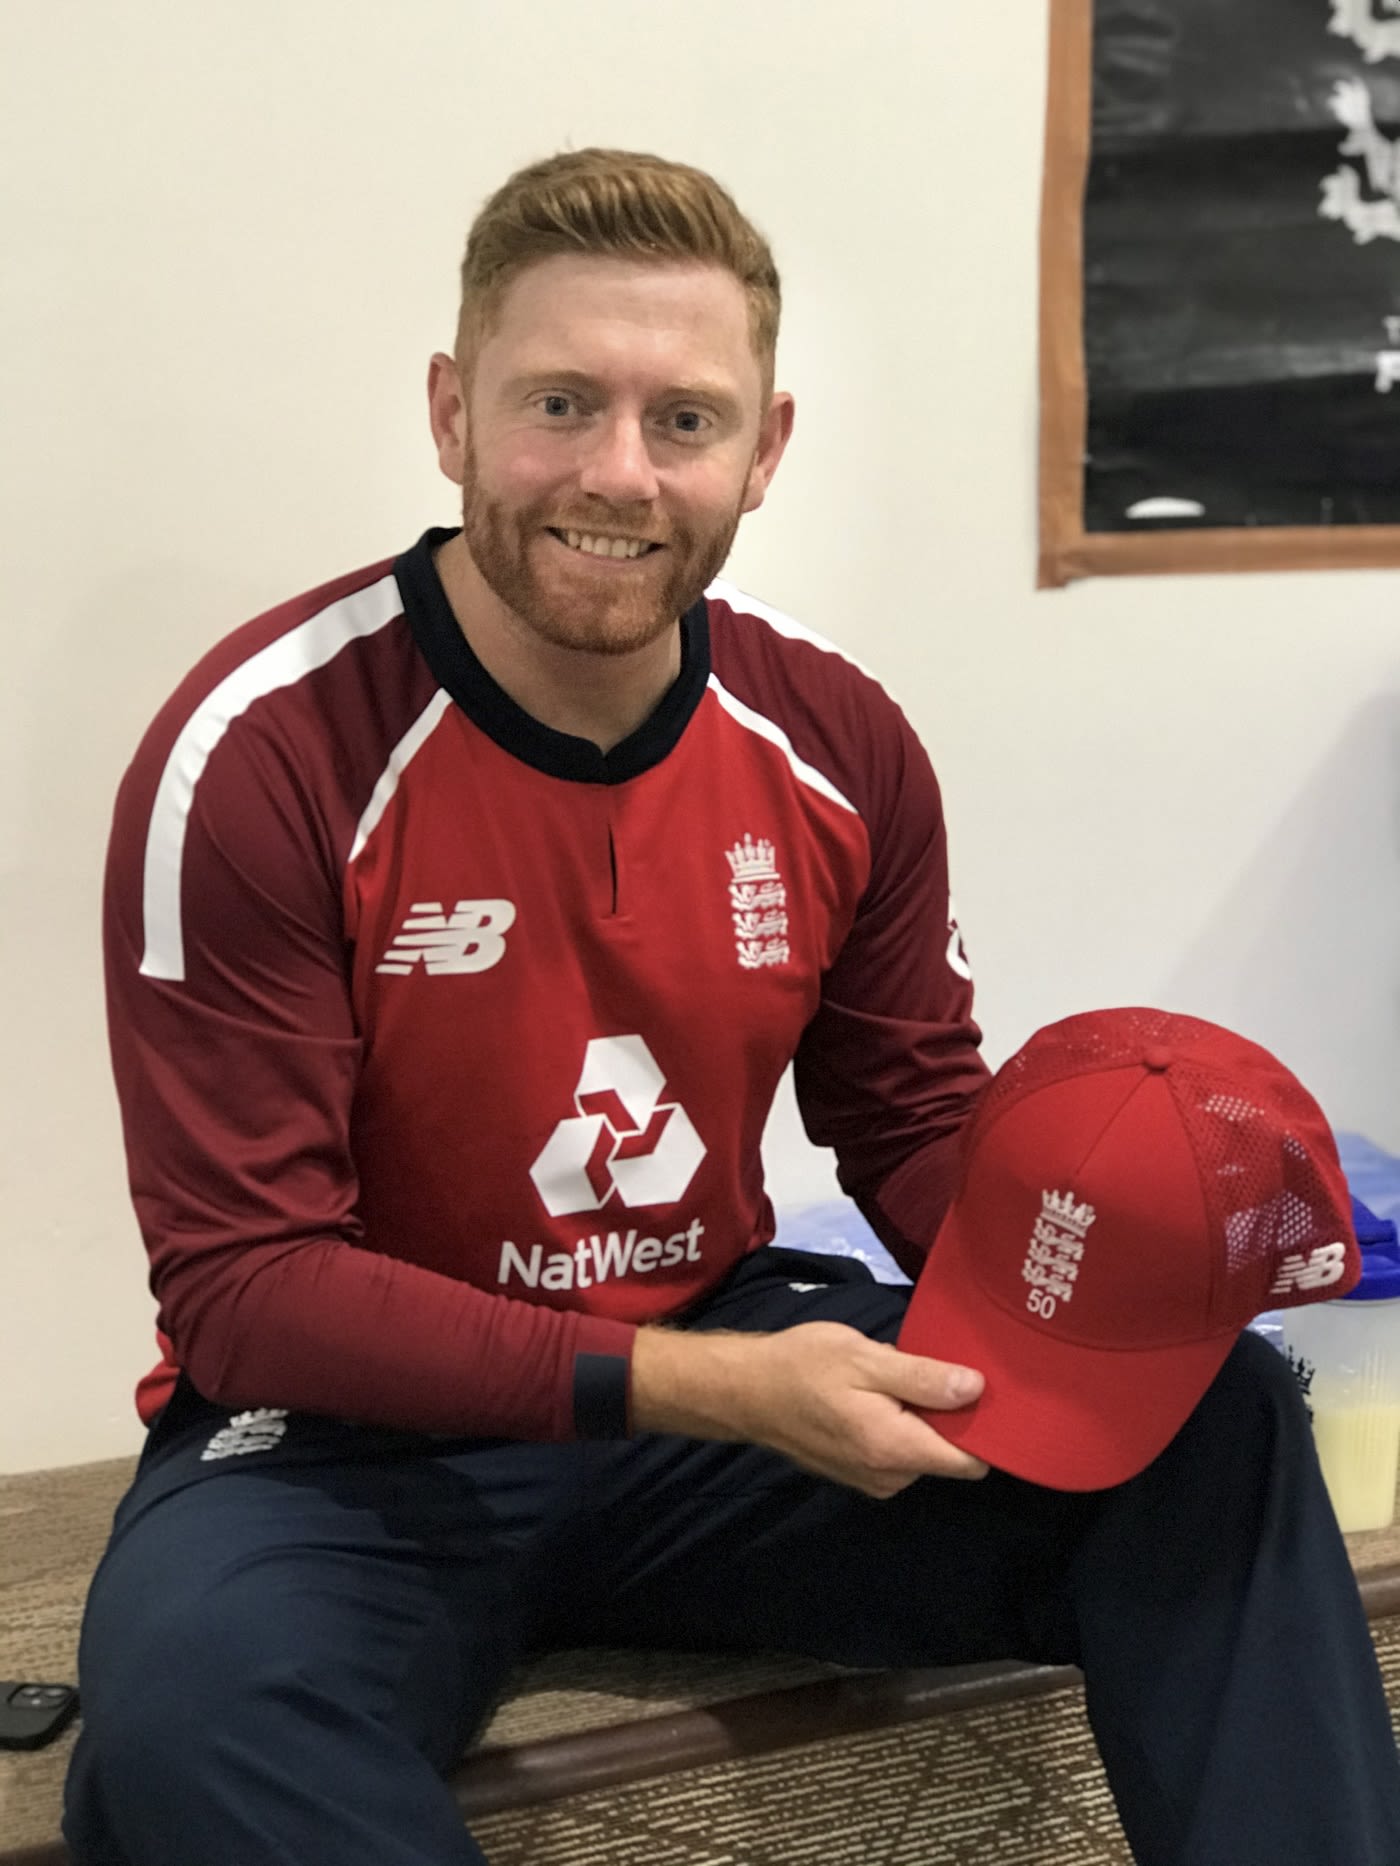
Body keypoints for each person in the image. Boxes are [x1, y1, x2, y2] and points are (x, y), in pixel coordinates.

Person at [64, 148, 1400, 1866]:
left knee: (1225, 1420)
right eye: (560, 402)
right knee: (185, 1716)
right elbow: (248, 1288)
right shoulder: (255, 756)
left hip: (714, 1370)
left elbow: (911, 1123)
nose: (617, 472)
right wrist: (709, 1387)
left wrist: (1096, 1252)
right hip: (349, 1450)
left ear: (765, 451)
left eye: (684, 419)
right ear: (451, 412)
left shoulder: (837, 741)